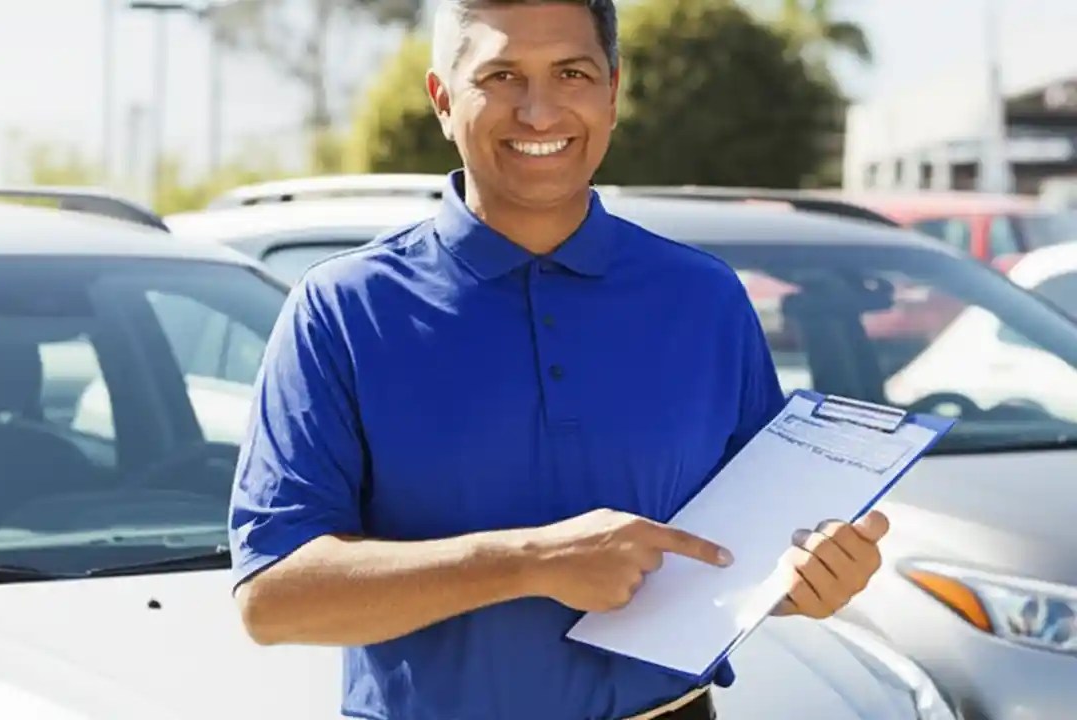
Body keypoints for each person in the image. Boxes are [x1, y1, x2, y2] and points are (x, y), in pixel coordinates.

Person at [227, 1, 889, 718]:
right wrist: (528, 563)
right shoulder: (342, 310)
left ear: (613, 90)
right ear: (443, 101)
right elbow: (274, 598)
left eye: (571, 73)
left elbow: (742, 557)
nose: (539, 112)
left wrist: (809, 580)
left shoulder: (705, 299)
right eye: (502, 75)